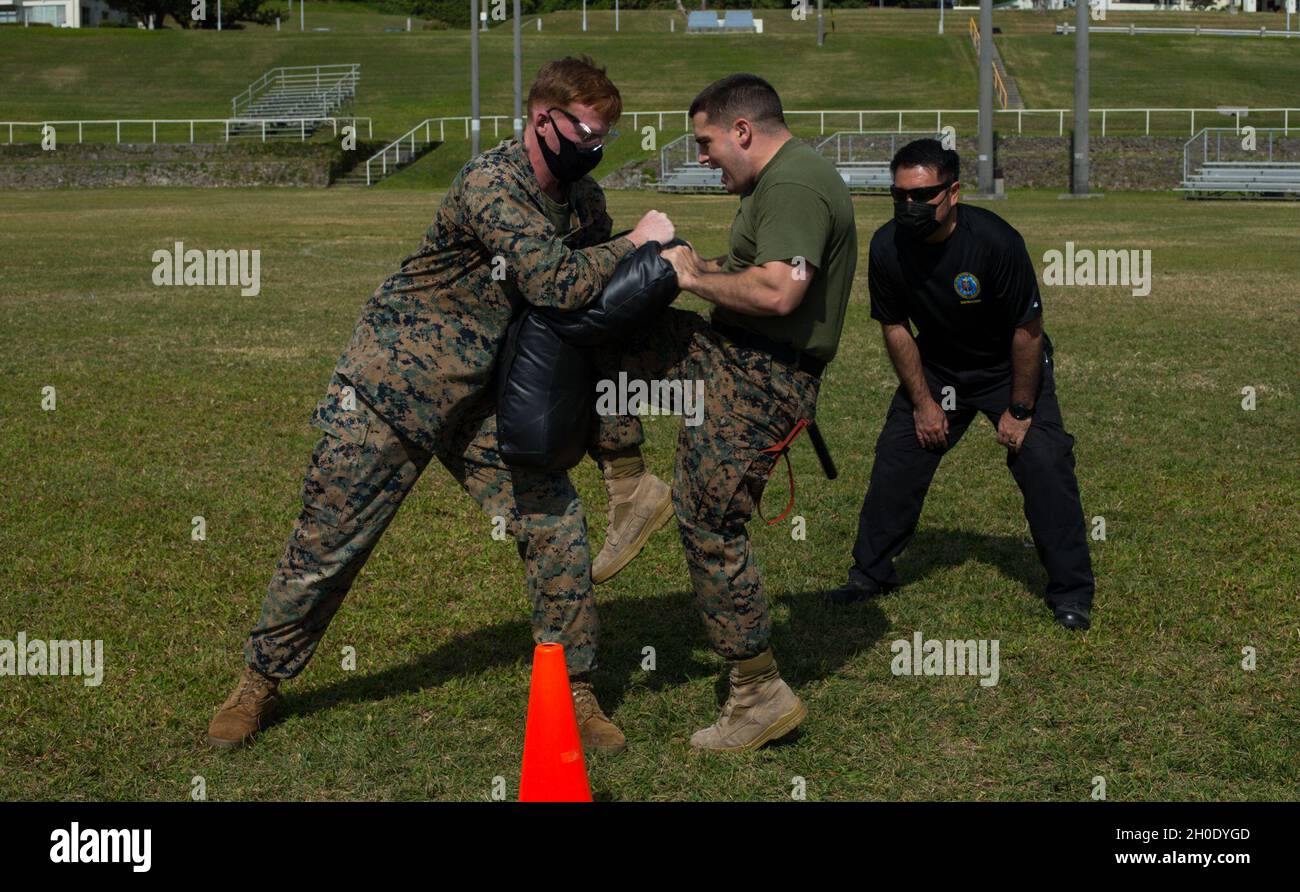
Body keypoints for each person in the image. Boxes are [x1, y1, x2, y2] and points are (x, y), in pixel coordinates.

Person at [206, 56, 675, 754]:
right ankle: (257, 682)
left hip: (483, 398)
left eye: (604, 137)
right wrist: (636, 245)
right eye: (583, 133)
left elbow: (591, 317)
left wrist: (622, 450)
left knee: (555, 525)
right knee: (329, 544)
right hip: (393, 384)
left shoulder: (584, 205)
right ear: (541, 120)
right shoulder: (493, 181)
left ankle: (573, 690)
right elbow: (553, 281)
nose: (593, 149)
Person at [599, 73, 858, 751]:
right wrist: (680, 263)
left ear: (743, 131)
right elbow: (753, 271)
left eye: (708, 141)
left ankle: (758, 694)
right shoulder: (776, 184)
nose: (704, 156)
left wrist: (687, 275)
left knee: (710, 521)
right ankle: (630, 487)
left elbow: (777, 292)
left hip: (765, 377)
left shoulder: (795, 183)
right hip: (736, 356)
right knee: (609, 327)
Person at [825, 138, 1095, 631]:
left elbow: (1027, 330)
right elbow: (896, 328)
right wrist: (925, 404)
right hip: (939, 368)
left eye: (922, 195)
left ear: (952, 194)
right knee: (897, 459)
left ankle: (1072, 593)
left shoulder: (995, 241)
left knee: (1043, 461)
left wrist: (1020, 407)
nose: (910, 206)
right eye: (900, 195)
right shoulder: (887, 246)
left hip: (1007, 366)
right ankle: (868, 575)